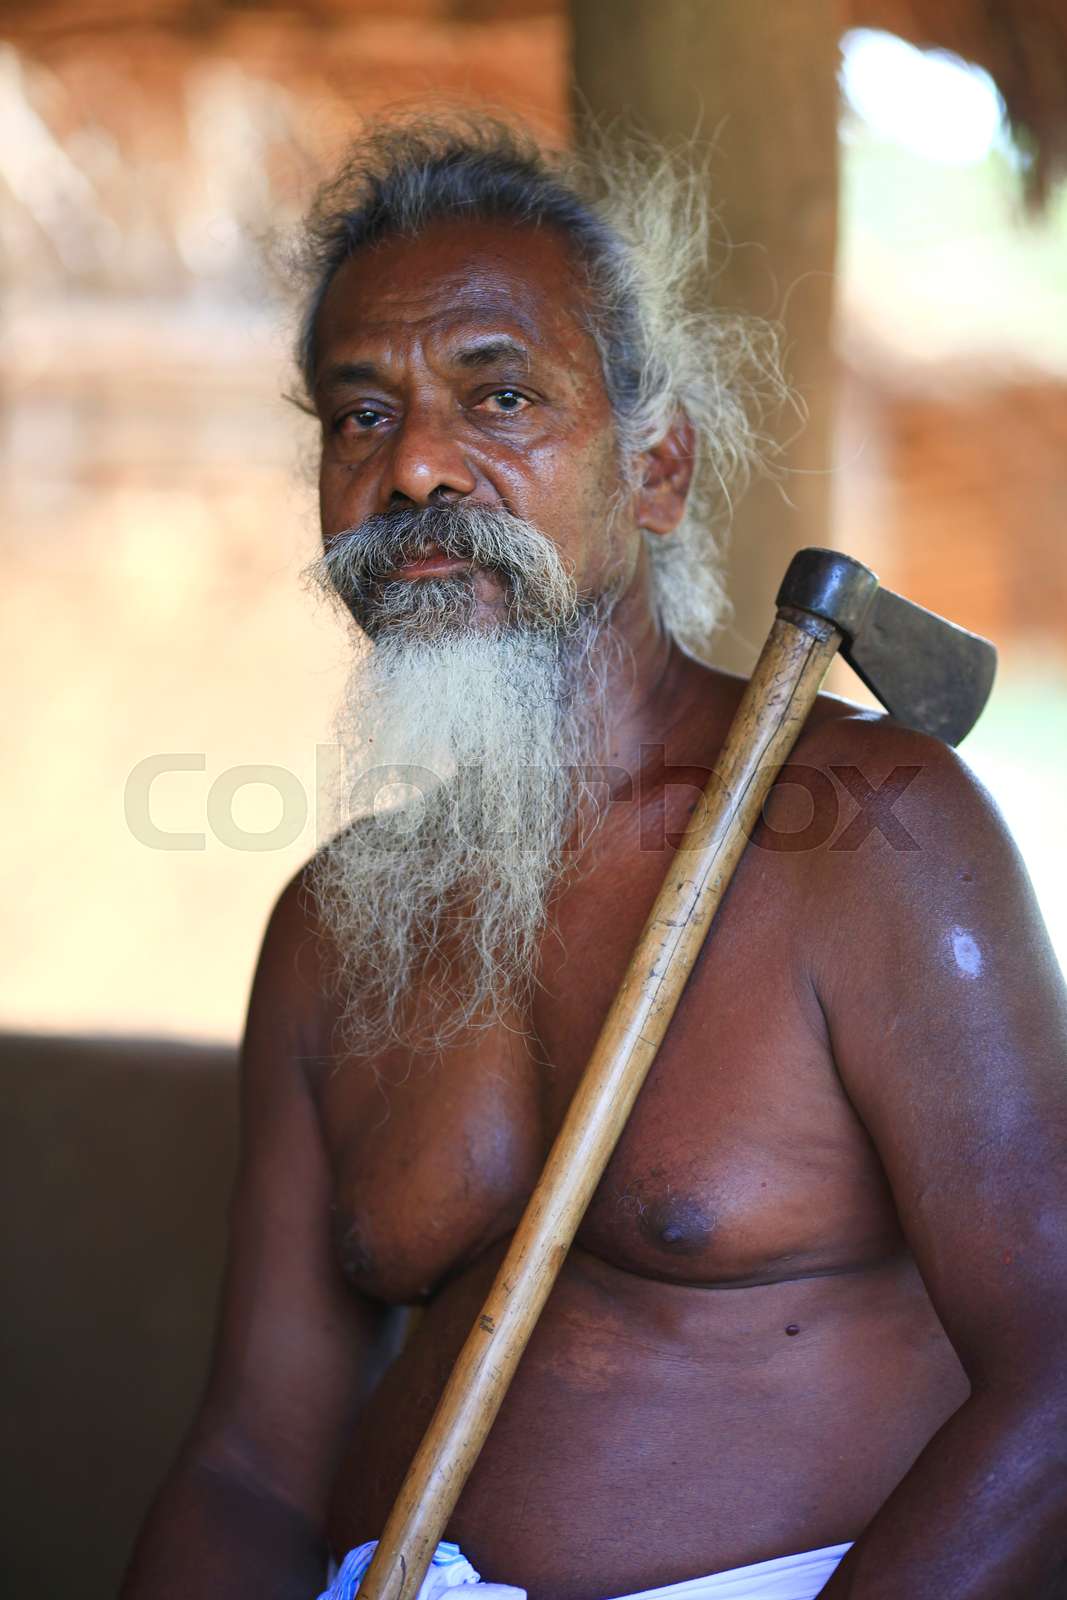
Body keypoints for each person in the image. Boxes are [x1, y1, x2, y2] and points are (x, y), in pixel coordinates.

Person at [121, 118, 1067, 1600]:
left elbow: (1060, 1377)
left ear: (658, 466)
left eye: (499, 395)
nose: (419, 464)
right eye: (360, 416)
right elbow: (249, 1464)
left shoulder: (872, 833)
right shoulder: (332, 928)